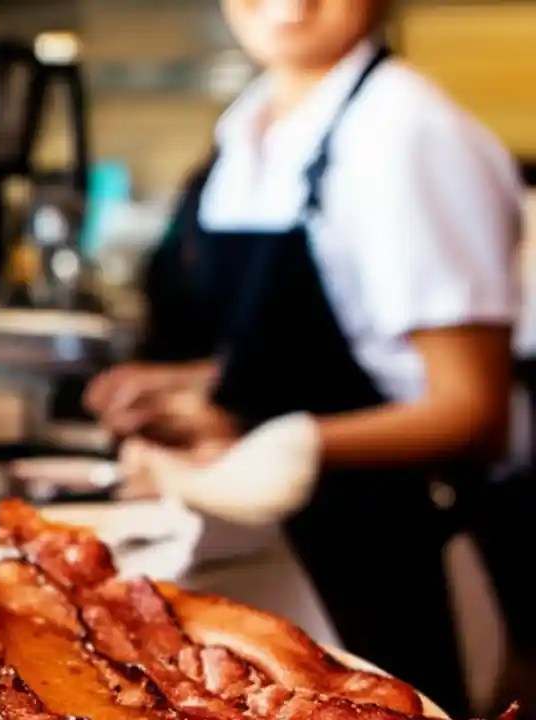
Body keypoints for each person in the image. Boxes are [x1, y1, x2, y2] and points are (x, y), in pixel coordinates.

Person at [84, 0, 525, 714]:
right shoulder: (253, 126)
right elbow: (334, 345)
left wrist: (294, 442)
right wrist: (198, 387)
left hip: (392, 569)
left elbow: (475, 410)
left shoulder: (412, 135)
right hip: (279, 565)